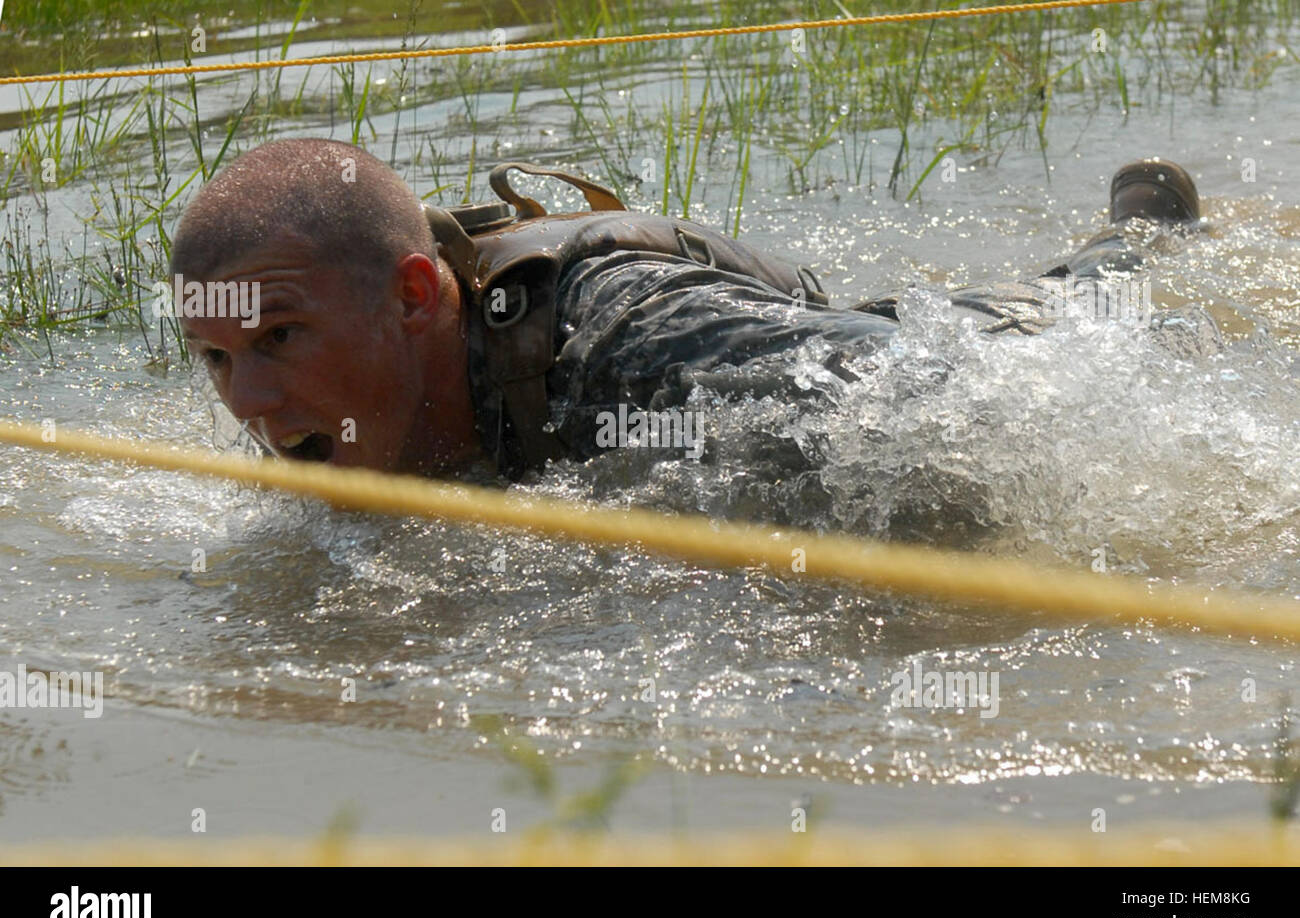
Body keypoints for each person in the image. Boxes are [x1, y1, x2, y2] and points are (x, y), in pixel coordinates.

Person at [171, 139, 1209, 480]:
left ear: (410, 298)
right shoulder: (336, 420)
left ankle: (1138, 228)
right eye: (215, 360)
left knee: (1094, 298)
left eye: (277, 337)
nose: (248, 404)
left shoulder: (626, 339)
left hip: (958, 329)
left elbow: (927, 386)